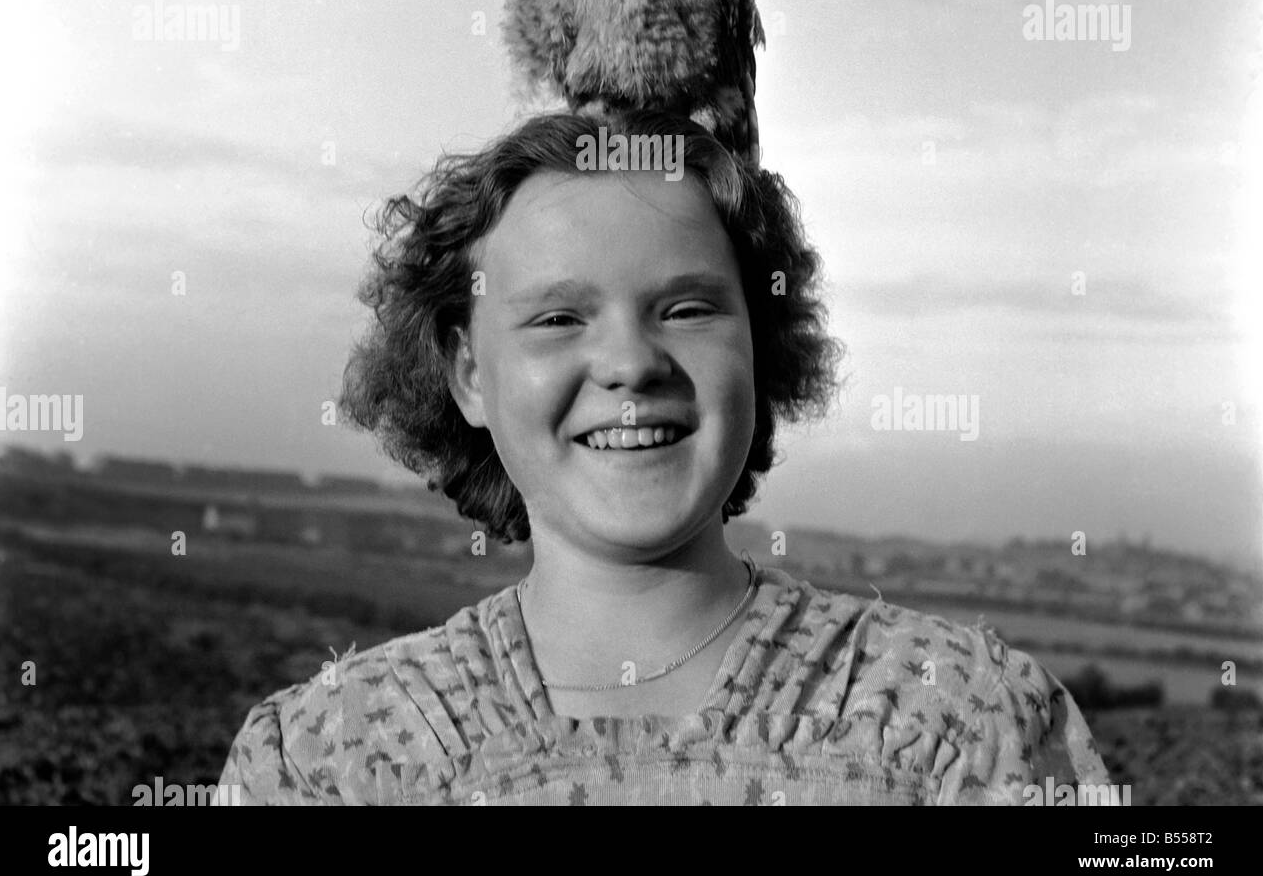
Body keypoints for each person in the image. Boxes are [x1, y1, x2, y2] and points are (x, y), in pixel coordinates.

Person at [218, 109, 1110, 805]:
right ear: (466, 375)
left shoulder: (961, 719)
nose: (631, 362)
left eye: (685, 308)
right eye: (559, 317)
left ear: (760, 347)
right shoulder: (329, 761)